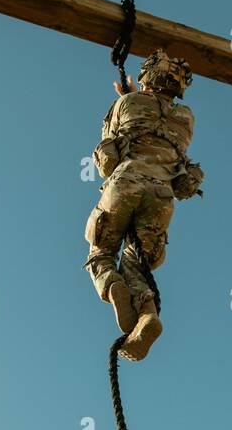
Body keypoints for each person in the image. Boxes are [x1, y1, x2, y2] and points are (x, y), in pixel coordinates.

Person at [84, 49, 205, 360]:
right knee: (138, 263)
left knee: (101, 252)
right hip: (161, 196)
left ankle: (112, 287)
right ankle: (147, 315)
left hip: (126, 182)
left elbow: (107, 160)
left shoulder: (127, 103)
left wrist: (127, 98)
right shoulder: (185, 118)